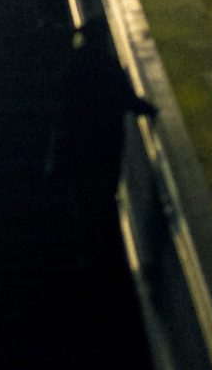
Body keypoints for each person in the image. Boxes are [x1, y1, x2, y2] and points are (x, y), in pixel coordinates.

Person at [45, 25, 159, 265]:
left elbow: (61, 109)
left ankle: (85, 249)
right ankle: (106, 249)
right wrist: (153, 110)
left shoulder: (72, 66)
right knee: (105, 196)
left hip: (79, 146)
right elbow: (126, 98)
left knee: (83, 198)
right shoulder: (106, 64)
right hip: (105, 144)